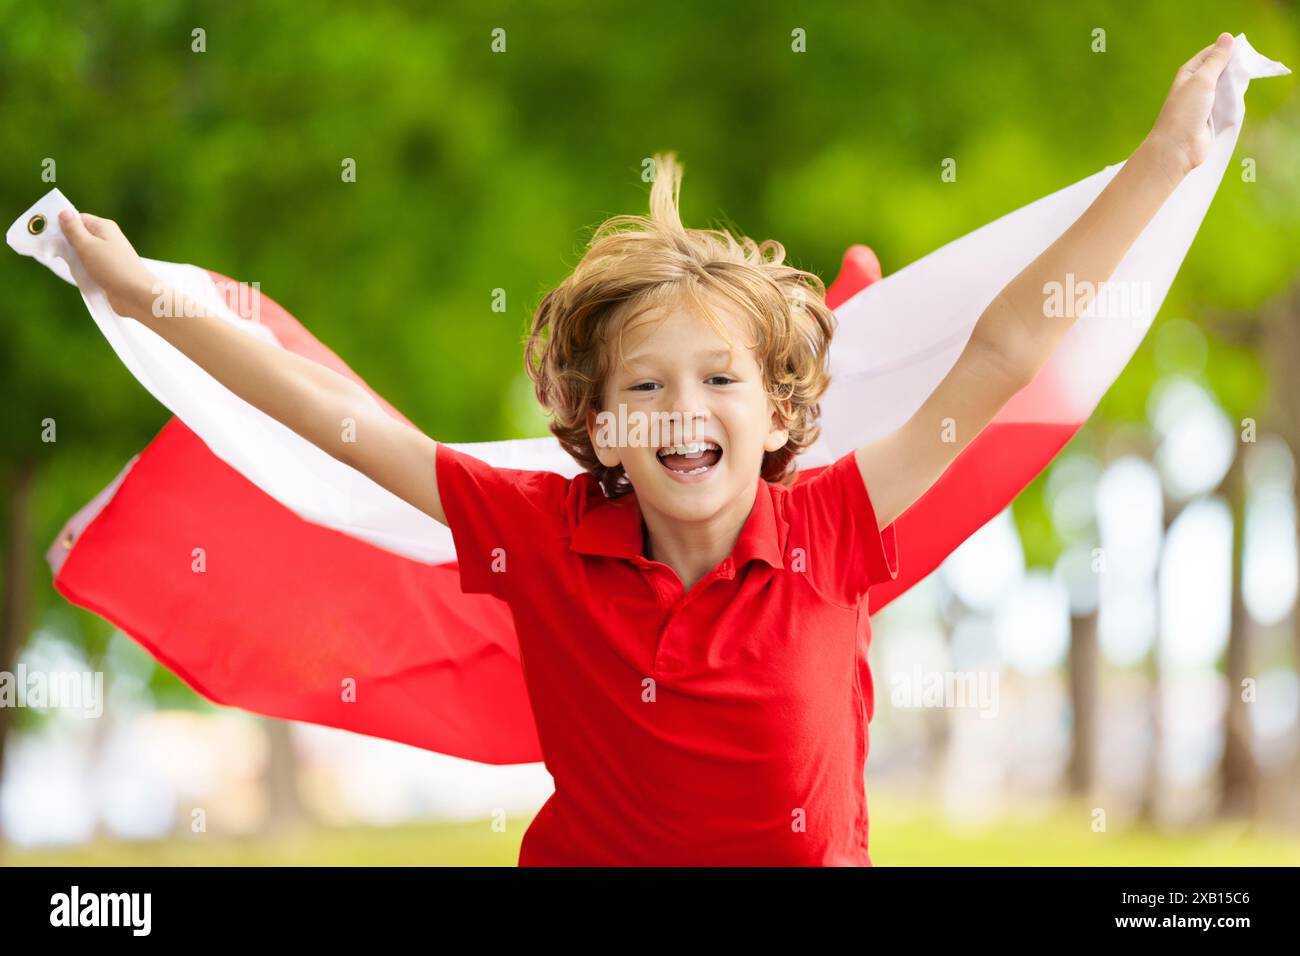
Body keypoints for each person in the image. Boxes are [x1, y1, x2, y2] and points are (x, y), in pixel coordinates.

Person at [56, 34, 1237, 865]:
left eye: (720, 379)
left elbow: (1001, 347)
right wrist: (137, 289)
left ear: (778, 415)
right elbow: (337, 421)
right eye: (646, 384)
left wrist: (1166, 158)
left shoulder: (835, 528)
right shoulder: (540, 532)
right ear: (598, 422)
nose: (684, 408)